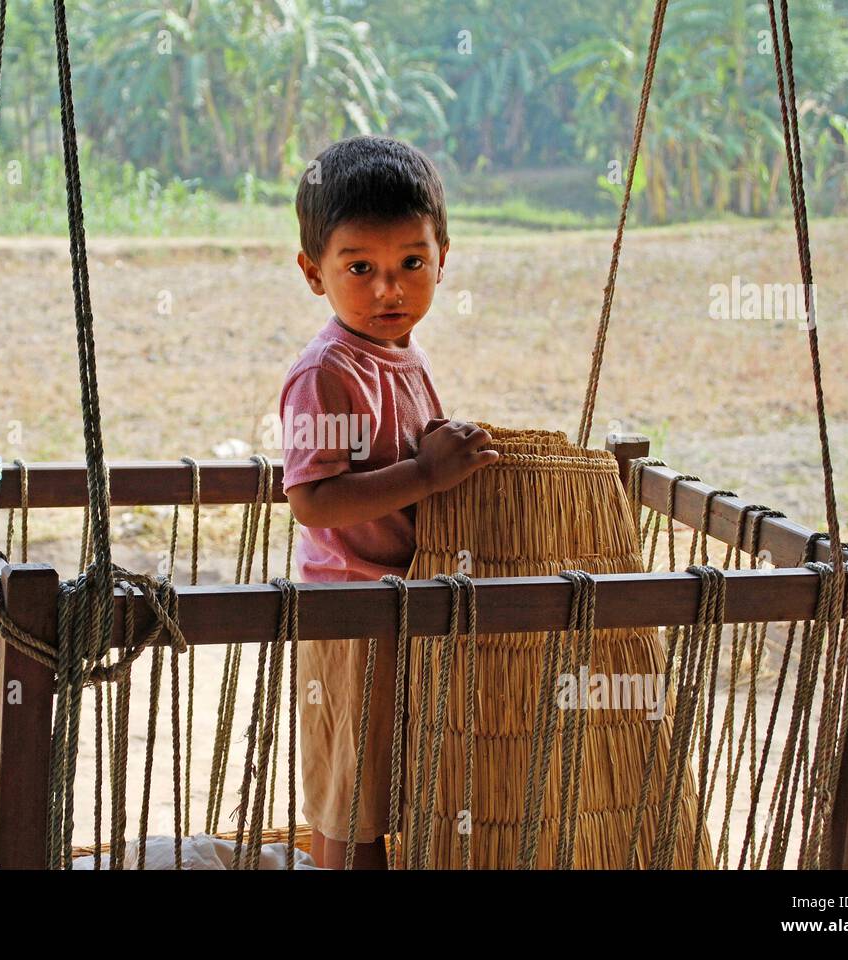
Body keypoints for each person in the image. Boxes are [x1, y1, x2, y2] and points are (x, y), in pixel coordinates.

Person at [278, 135, 498, 869]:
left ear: (444, 259)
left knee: (402, 785)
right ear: (314, 274)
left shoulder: (409, 356)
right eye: (359, 268)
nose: (388, 290)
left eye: (411, 264)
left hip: (410, 603)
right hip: (350, 613)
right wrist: (430, 476)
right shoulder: (325, 373)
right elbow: (314, 500)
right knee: (353, 796)